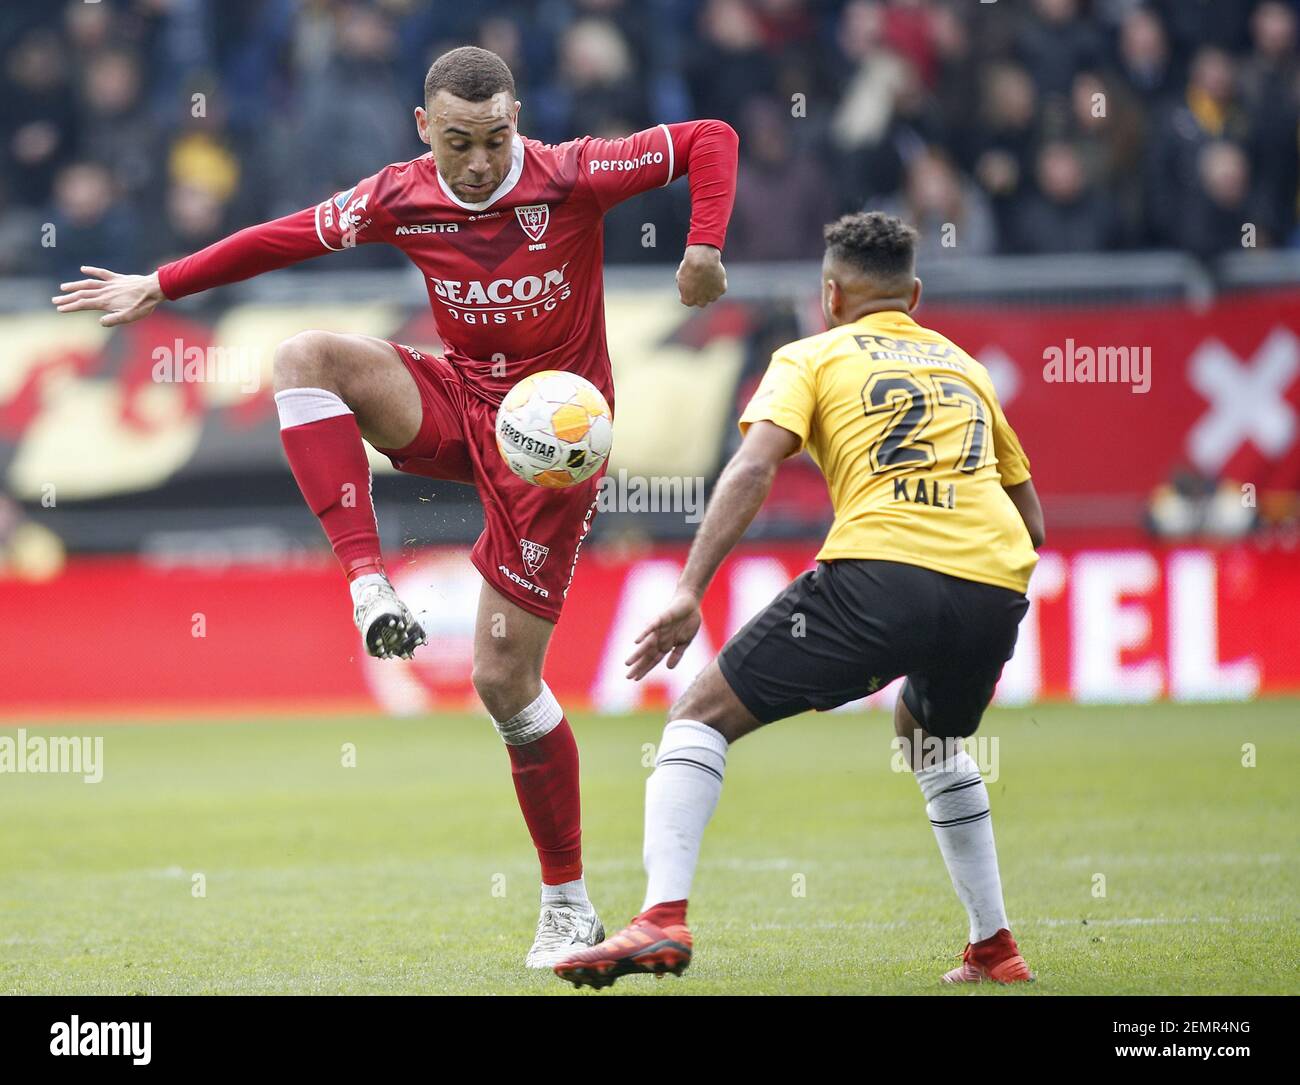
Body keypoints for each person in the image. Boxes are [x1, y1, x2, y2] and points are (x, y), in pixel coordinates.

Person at [50, 45, 738, 969]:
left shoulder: (573, 173)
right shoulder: (399, 195)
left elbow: (710, 138)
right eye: (460, 143)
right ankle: (369, 585)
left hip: (553, 449)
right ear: (426, 130)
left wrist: (701, 244)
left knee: (502, 682)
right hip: (461, 404)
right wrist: (161, 284)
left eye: (497, 139)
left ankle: (567, 905)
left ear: (517, 119)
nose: (483, 163)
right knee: (303, 358)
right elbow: (281, 237)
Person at [555, 211, 1044, 988]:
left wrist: (689, 589)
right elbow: (1032, 519)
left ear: (830, 294)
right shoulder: (965, 368)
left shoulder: (812, 354)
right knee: (927, 736)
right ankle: (994, 946)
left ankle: (660, 916)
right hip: (995, 583)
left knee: (699, 715)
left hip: (881, 571)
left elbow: (752, 468)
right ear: (912, 295)